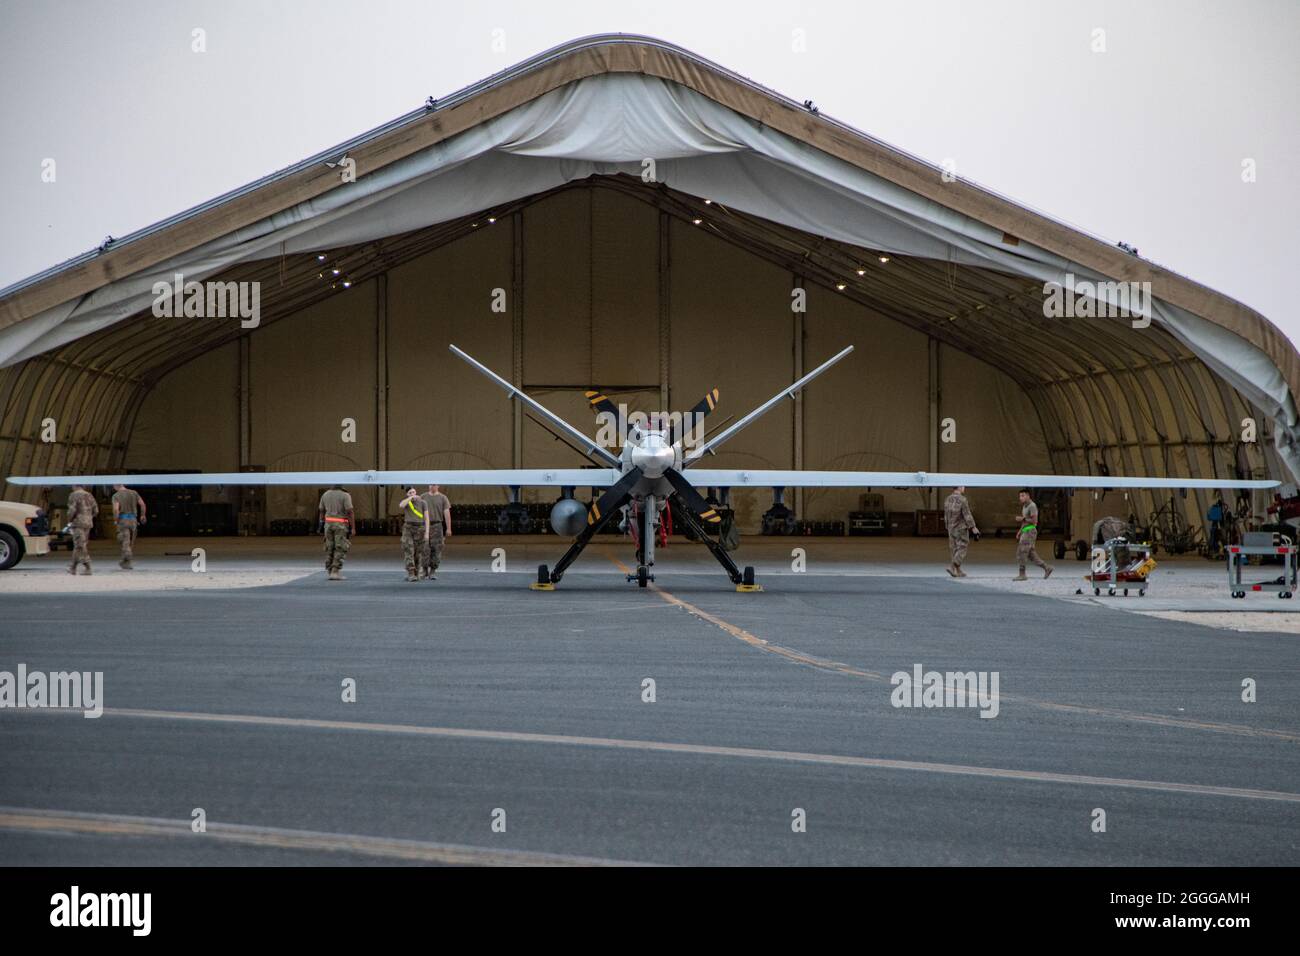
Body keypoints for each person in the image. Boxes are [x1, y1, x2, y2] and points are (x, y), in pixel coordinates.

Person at [1013, 488, 1053, 581]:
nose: (1021, 498)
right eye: (1020, 496)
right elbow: (1025, 522)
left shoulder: (1032, 506)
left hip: (1030, 532)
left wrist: (1022, 519)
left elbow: (1034, 521)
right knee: (1031, 555)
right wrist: (1020, 531)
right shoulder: (1024, 506)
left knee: (1021, 552)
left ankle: (1022, 574)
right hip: (1025, 531)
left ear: (1028, 496)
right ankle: (1047, 568)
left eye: (1023, 496)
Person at [317, 485, 355, 581]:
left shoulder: (325, 494)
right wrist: (353, 527)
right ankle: (335, 571)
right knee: (340, 547)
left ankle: (330, 570)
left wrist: (321, 524)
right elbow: (350, 511)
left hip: (328, 524)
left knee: (330, 547)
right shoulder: (345, 495)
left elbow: (321, 511)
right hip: (340, 524)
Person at [942, 485, 979, 577]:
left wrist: (947, 526)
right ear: (959, 487)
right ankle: (952, 566)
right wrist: (973, 527)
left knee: (954, 548)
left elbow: (945, 514)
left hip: (951, 527)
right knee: (962, 547)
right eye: (963, 486)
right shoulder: (963, 499)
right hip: (960, 528)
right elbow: (967, 514)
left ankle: (958, 570)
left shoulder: (947, 499)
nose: (964, 487)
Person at [419, 484, 453, 580]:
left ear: (438, 486)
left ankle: (432, 571)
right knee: (424, 548)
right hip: (425, 526)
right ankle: (424, 570)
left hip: (437, 526)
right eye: (430, 484)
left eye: (434, 485)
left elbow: (446, 513)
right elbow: (417, 510)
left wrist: (449, 528)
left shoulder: (443, 498)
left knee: (437, 549)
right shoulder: (423, 497)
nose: (432, 486)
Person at [111, 483, 147, 570]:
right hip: (133, 521)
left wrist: (116, 520)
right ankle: (126, 561)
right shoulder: (134, 493)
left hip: (123, 521)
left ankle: (127, 561)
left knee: (124, 541)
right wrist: (142, 515)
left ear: (116, 486)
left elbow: (116, 509)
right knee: (130, 542)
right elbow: (142, 504)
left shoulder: (116, 495)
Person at [398, 487, 430, 582]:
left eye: (414, 492)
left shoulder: (423, 503)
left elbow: (427, 518)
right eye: (410, 492)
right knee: (409, 550)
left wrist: (427, 533)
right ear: (407, 494)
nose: (412, 493)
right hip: (408, 528)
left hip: (420, 528)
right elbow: (401, 505)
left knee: (418, 552)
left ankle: (416, 572)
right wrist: (409, 499)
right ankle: (411, 573)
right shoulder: (407, 502)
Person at [66, 484, 98, 575]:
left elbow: (72, 510)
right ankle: (73, 567)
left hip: (78, 523)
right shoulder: (89, 495)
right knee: (79, 545)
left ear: (74, 486)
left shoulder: (74, 495)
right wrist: (88, 517)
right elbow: (96, 510)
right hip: (88, 524)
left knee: (80, 545)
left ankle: (88, 567)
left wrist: (69, 521)